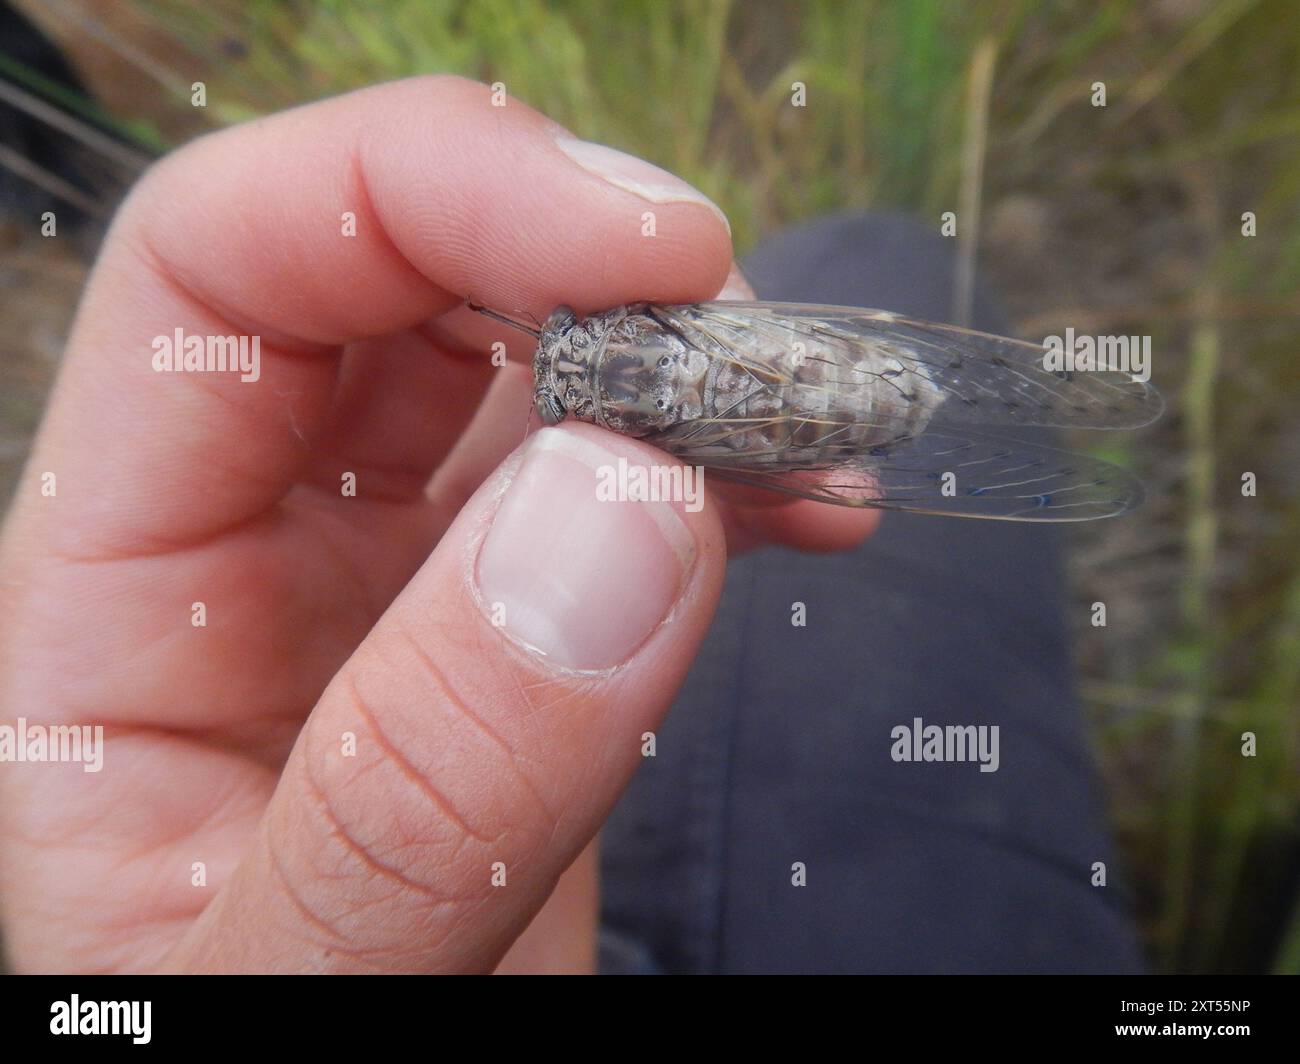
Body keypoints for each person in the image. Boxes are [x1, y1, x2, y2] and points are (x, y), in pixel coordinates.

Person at [0, 76, 1140, 974]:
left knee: (879, 268)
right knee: (884, 256)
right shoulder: (613, 416)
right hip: (790, 395)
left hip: (818, 377)